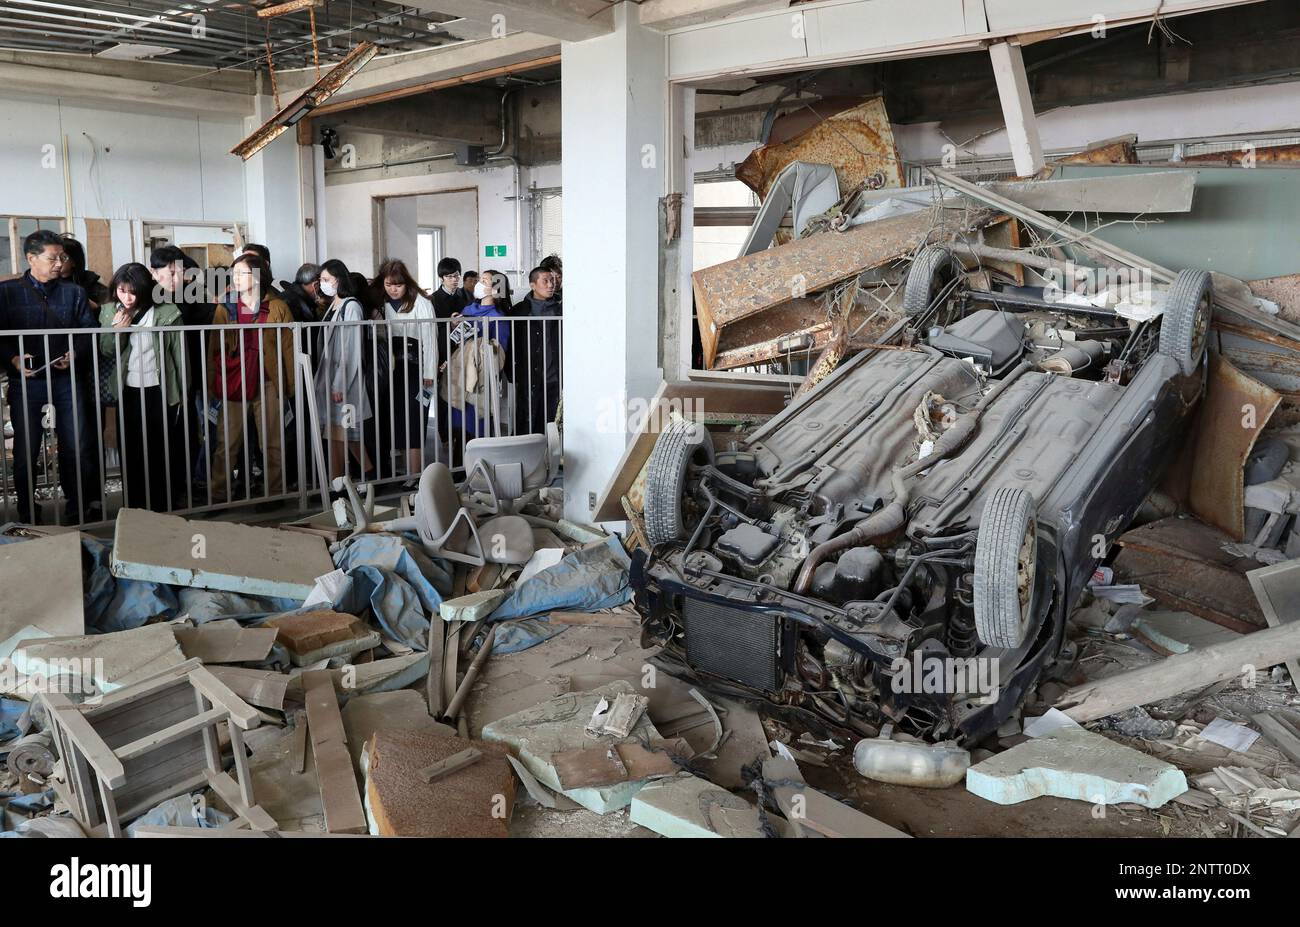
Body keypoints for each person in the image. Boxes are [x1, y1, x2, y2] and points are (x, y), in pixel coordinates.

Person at [0, 230, 101, 524]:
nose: (59, 263)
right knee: (26, 450)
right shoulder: (7, 293)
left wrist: (74, 353)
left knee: (76, 444)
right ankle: (27, 512)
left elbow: (88, 331)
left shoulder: (74, 293)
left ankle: (77, 509)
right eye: (52, 257)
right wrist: (13, 359)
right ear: (31, 258)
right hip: (25, 383)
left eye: (63, 257)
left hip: (67, 381)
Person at [207, 252, 295, 504]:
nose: (234, 279)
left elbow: (287, 348)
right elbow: (215, 348)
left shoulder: (278, 307)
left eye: (241, 274)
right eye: (233, 274)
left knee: (272, 444)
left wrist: (288, 387)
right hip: (234, 383)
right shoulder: (225, 308)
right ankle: (219, 495)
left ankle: (275, 494)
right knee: (226, 443)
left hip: (268, 383)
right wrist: (214, 383)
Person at [99, 263, 186, 512]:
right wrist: (119, 331)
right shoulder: (109, 311)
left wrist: (182, 391)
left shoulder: (167, 312)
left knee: (160, 447)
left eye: (132, 291)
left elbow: (179, 355)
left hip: (159, 387)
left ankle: (161, 504)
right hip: (128, 389)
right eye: (121, 290)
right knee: (132, 448)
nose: (126, 297)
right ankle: (134, 505)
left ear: (145, 290)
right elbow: (106, 350)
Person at [150, 245, 215, 504]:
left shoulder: (194, 294)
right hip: (156, 378)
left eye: (181, 272)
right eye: (171, 273)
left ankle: (184, 486)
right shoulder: (148, 298)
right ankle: (162, 490)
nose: (177, 278)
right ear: (155, 273)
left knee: (187, 433)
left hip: (189, 376)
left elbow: (210, 321)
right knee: (159, 434)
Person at [375, 259, 436, 484]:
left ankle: (415, 473)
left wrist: (429, 372)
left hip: (415, 368)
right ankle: (401, 469)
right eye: (389, 285)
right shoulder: (380, 304)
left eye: (397, 285)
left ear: (406, 283)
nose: (393, 289)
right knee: (395, 418)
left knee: (414, 419)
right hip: (390, 368)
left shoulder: (421, 302)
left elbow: (430, 340)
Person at [315, 259, 374, 482]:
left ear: (339, 280)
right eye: (321, 280)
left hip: (344, 382)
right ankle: (337, 481)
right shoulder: (334, 305)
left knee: (347, 434)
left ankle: (365, 476)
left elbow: (350, 348)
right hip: (330, 378)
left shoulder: (351, 306)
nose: (323, 284)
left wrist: (339, 383)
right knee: (335, 434)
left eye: (326, 280)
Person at [509, 266, 562, 437]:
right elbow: (512, 344)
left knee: (555, 425)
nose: (550, 285)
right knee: (527, 423)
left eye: (552, 280)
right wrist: (513, 373)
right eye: (545, 281)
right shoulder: (520, 311)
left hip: (556, 378)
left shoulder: (562, 309)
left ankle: (553, 461)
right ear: (532, 285)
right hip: (529, 378)